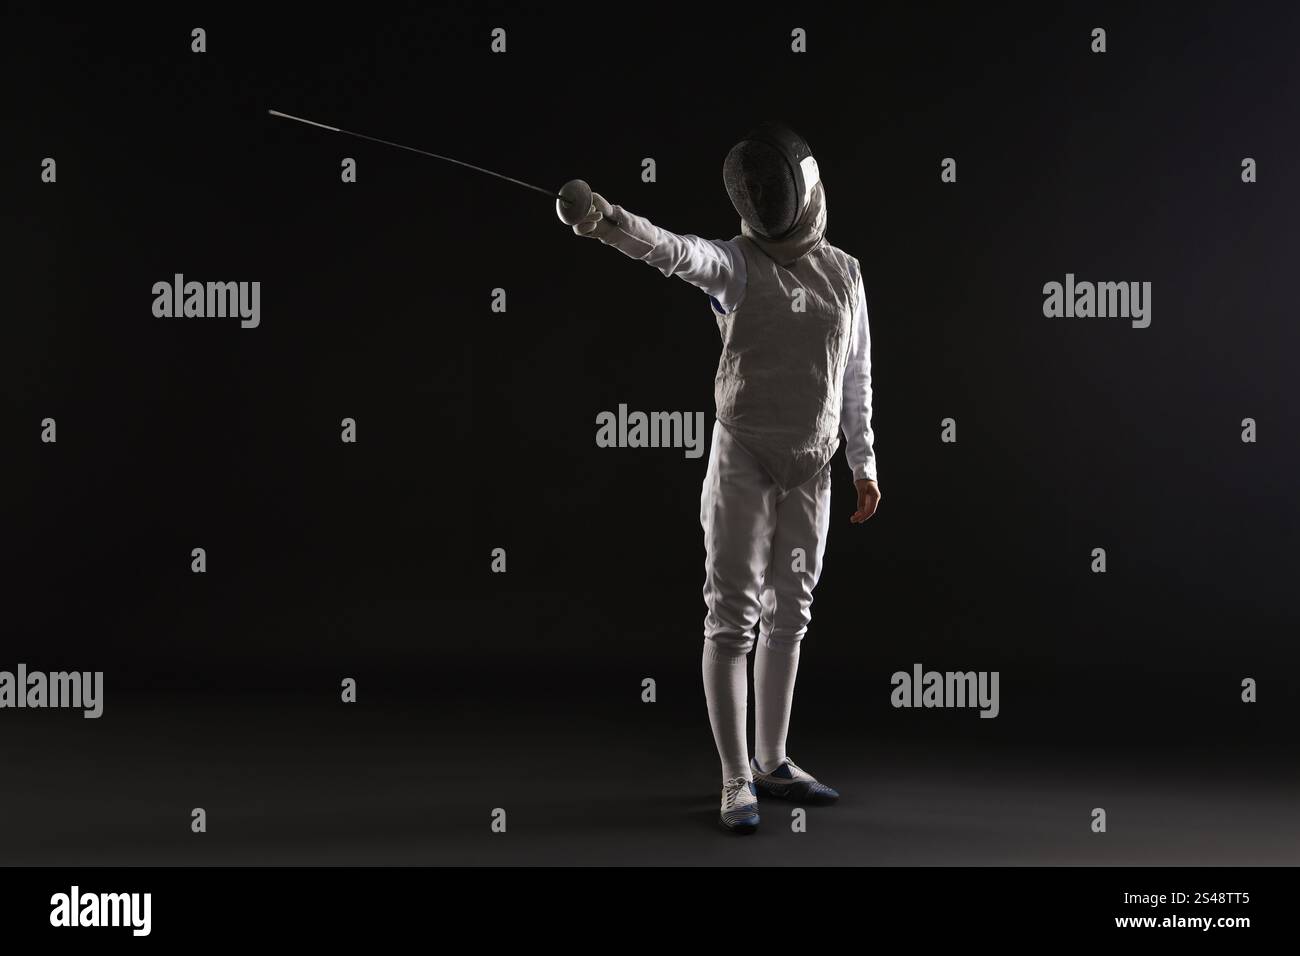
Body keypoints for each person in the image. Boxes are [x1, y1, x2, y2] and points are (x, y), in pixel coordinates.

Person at [571, 122, 880, 834]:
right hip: (743, 457)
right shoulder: (737, 264)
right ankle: (734, 777)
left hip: (813, 465)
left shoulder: (846, 272)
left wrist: (863, 463)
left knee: (791, 615)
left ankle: (773, 760)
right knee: (733, 615)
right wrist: (610, 221)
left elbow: (856, 374)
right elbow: (673, 252)